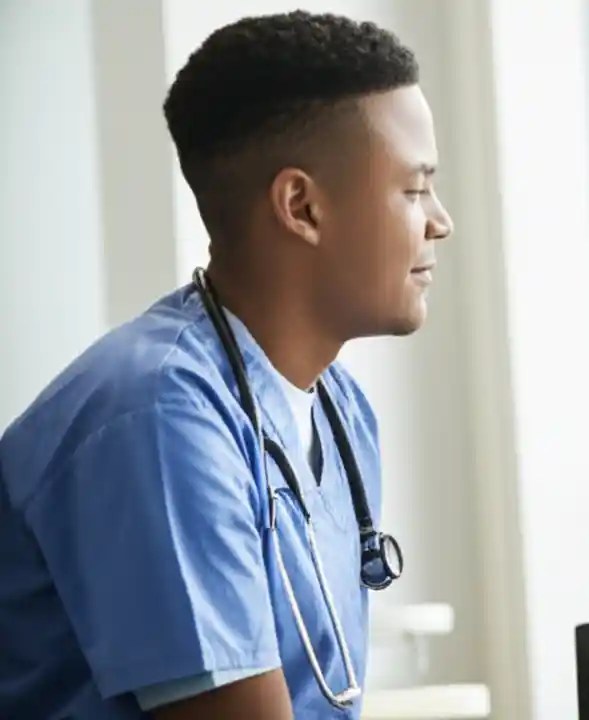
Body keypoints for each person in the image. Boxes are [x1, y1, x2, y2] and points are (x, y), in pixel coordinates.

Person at [0, 10, 451, 718]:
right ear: (300, 206)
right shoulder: (158, 418)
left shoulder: (340, 412)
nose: (439, 221)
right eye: (415, 188)